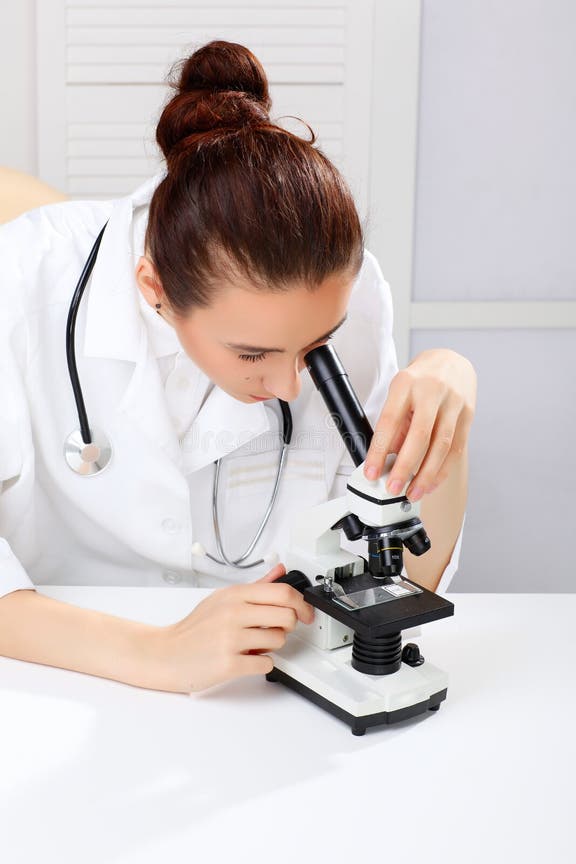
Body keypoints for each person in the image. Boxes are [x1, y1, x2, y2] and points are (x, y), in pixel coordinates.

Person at [0, 41, 476, 695]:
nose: (286, 386)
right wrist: (158, 654)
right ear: (154, 288)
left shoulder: (351, 293)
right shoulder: (23, 280)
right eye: (252, 354)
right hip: (59, 682)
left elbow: (401, 580)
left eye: (317, 344)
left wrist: (451, 384)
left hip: (266, 697)